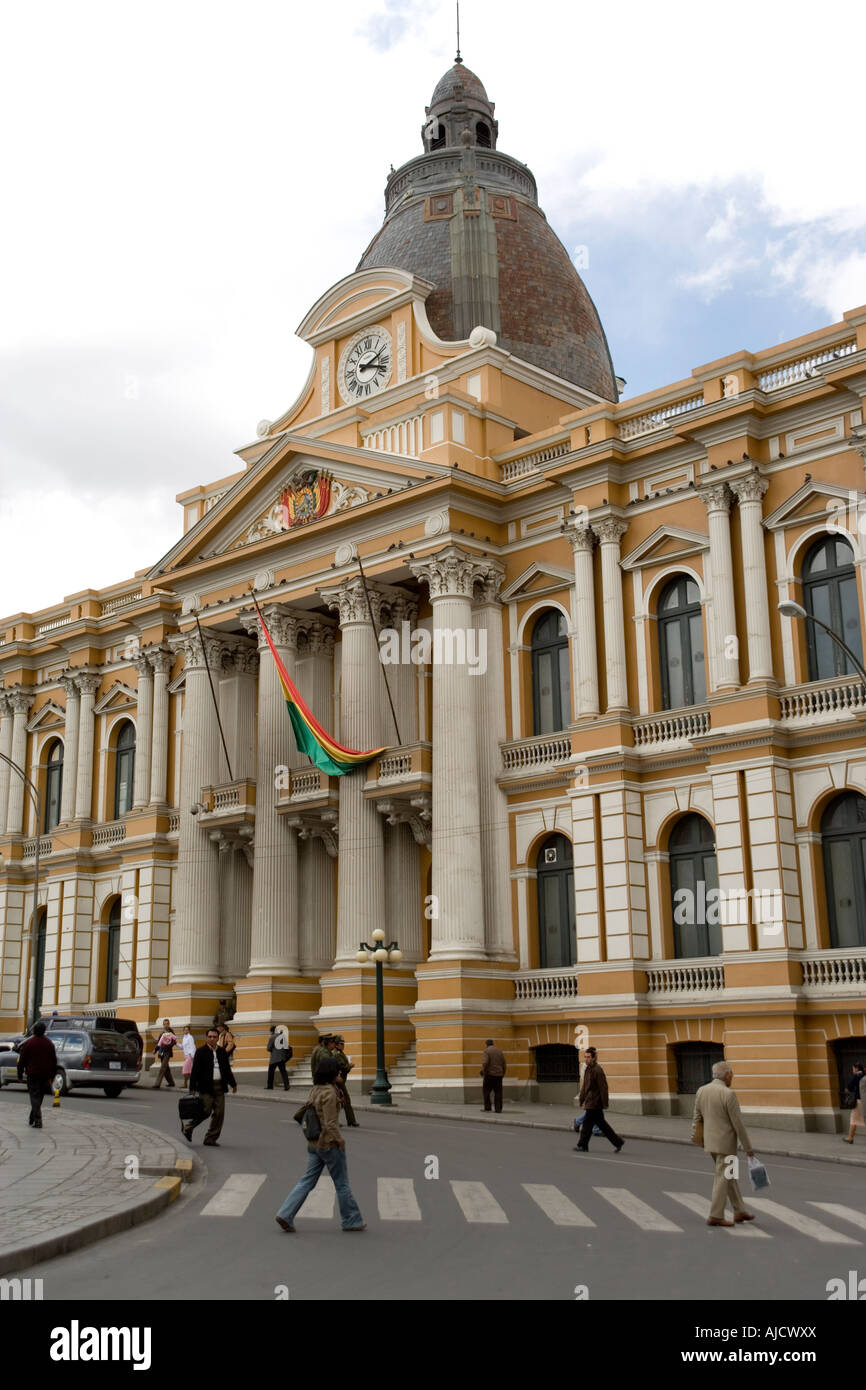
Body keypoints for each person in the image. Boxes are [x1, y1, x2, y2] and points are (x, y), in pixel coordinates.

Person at [275, 1056, 365, 1232]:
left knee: (307, 1181)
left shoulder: (315, 1090)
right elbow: (330, 1124)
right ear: (331, 1073)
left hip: (313, 1144)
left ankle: (285, 1214)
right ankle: (351, 1220)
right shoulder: (329, 1093)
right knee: (342, 1184)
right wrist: (340, 1141)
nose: (340, 1073)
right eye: (337, 1071)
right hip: (328, 1144)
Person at [691, 1060, 756, 1227]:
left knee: (730, 1176)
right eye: (731, 1073)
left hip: (710, 1143)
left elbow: (697, 1117)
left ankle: (739, 1211)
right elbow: (738, 1124)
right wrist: (748, 1148)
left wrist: (698, 1138)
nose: (732, 1076)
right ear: (726, 1075)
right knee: (723, 1178)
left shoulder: (702, 1090)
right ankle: (715, 1215)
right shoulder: (728, 1094)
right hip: (726, 1144)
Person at [182, 1026, 237, 1146]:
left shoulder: (222, 1052)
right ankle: (188, 1127)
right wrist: (192, 1088)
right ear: (206, 1038)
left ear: (217, 1038)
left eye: (214, 1037)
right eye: (210, 1037)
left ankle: (211, 1138)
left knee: (219, 1113)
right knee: (205, 1111)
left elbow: (227, 1069)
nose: (212, 1039)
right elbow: (195, 1071)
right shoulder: (200, 1052)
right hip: (205, 1087)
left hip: (220, 1086)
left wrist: (233, 1084)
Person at [574, 1046, 624, 1153]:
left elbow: (603, 1088)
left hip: (595, 1103)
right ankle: (618, 1142)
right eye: (585, 1057)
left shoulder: (598, 1070)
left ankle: (582, 1145)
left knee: (587, 1125)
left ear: (593, 1058)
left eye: (588, 1057)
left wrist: (605, 1103)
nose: (586, 1059)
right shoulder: (588, 1069)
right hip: (590, 1101)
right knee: (603, 1125)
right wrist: (581, 1099)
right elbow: (585, 1087)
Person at [16, 1021, 57, 1129]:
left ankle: (38, 1120)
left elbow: (22, 1061)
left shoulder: (29, 1043)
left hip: (33, 1075)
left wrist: (19, 1075)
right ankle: (32, 1118)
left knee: (34, 1097)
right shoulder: (49, 1044)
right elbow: (54, 1061)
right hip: (45, 1075)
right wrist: (52, 1076)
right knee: (39, 1098)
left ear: (34, 1030)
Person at [332, 1035, 358, 1126]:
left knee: (339, 1100)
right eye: (341, 1044)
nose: (343, 1045)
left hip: (340, 1080)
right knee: (343, 1100)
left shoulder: (340, 1053)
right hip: (338, 1080)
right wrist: (349, 1066)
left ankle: (350, 1121)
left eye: (343, 1043)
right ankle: (350, 1121)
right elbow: (343, 1067)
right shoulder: (337, 1054)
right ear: (336, 1045)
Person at [480, 1039, 506, 1113]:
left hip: (489, 1075)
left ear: (486, 1044)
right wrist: (503, 1073)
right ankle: (498, 1109)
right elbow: (504, 1063)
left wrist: (483, 1071)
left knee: (486, 1091)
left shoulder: (486, 1051)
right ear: (492, 1044)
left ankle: (488, 1107)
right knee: (498, 1092)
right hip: (499, 1075)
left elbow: (485, 1062)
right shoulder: (499, 1051)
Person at [152, 1019, 178, 1089]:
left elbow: (174, 1042)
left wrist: (168, 1045)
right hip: (161, 1052)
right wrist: (155, 1050)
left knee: (163, 1067)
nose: (166, 1025)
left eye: (167, 1024)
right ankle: (171, 1082)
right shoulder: (162, 1033)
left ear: (169, 1024)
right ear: (163, 1025)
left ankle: (157, 1084)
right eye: (165, 1024)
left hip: (167, 1052)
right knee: (166, 1068)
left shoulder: (171, 1032)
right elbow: (159, 1043)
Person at [843, 1062, 865, 1143]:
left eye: (853, 1068)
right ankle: (850, 1137)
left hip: (859, 1101)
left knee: (853, 1119)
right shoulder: (864, 1075)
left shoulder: (857, 1076)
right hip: (864, 1100)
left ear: (856, 1068)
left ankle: (850, 1138)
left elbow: (849, 1087)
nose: (852, 1070)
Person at [266, 1025, 291, 1091]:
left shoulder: (272, 1037)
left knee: (271, 1072)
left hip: (274, 1058)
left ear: (272, 1031)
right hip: (282, 1057)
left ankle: (270, 1086)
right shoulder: (282, 1037)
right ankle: (287, 1085)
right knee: (283, 1072)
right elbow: (286, 1046)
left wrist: (273, 1049)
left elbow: (268, 1048)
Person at [181, 1025, 196, 1089]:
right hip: (187, 1056)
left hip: (190, 1056)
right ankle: (188, 1084)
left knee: (185, 1070)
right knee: (189, 1071)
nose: (186, 1031)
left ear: (189, 1031)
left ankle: (186, 1084)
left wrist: (192, 1056)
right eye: (185, 1030)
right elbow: (182, 1047)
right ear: (183, 1031)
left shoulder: (190, 1037)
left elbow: (192, 1046)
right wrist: (176, 1043)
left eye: (187, 1030)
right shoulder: (184, 1038)